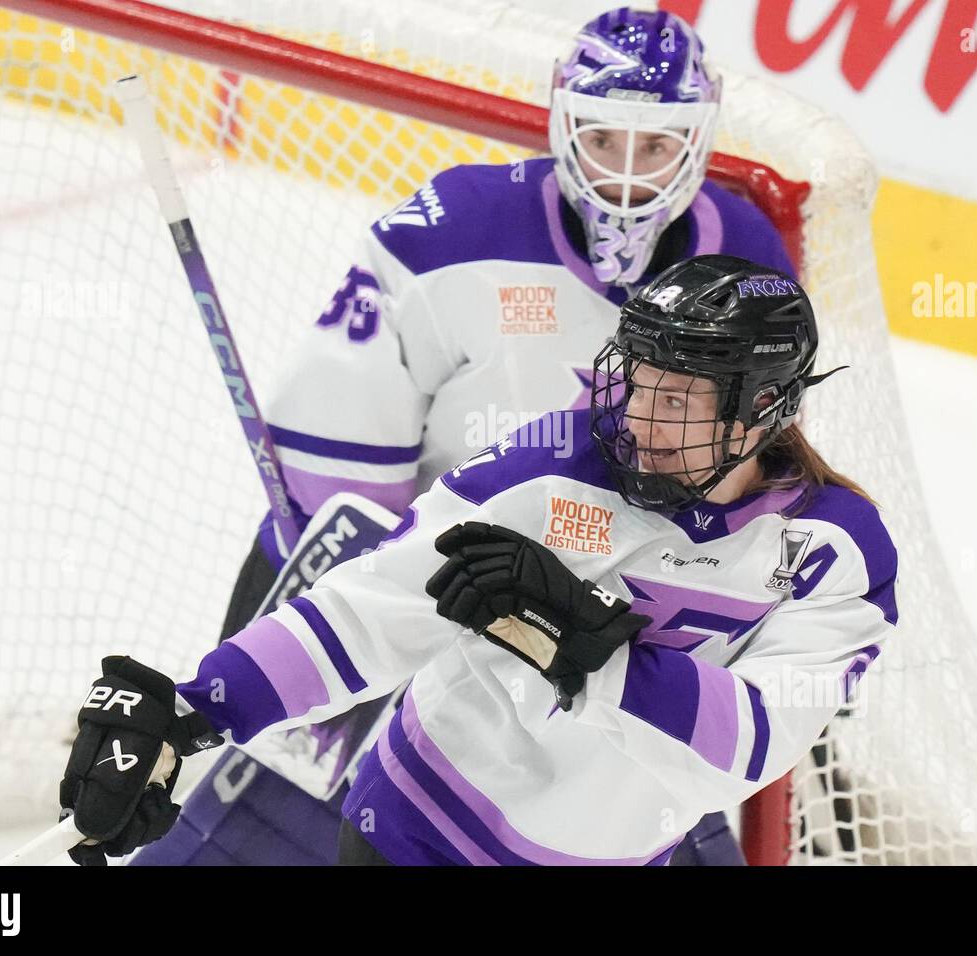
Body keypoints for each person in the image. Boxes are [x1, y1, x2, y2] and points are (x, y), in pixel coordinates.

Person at [130, 6, 796, 866]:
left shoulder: (745, 262)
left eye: (656, 147)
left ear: (698, 141)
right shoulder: (455, 231)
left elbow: (748, 478)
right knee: (271, 834)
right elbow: (336, 466)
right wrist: (380, 606)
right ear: (562, 122)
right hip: (428, 602)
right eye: (602, 139)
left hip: (612, 641)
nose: (627, 178)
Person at [59, 255, 899, 866]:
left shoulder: (837, 553)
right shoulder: (555, 459)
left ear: (760, 409)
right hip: (418, 823)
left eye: (674, 399)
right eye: (636, 382)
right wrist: (200, 709)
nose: (638, 417)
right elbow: (376, 604)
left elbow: (754, 741)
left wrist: (596, 657)